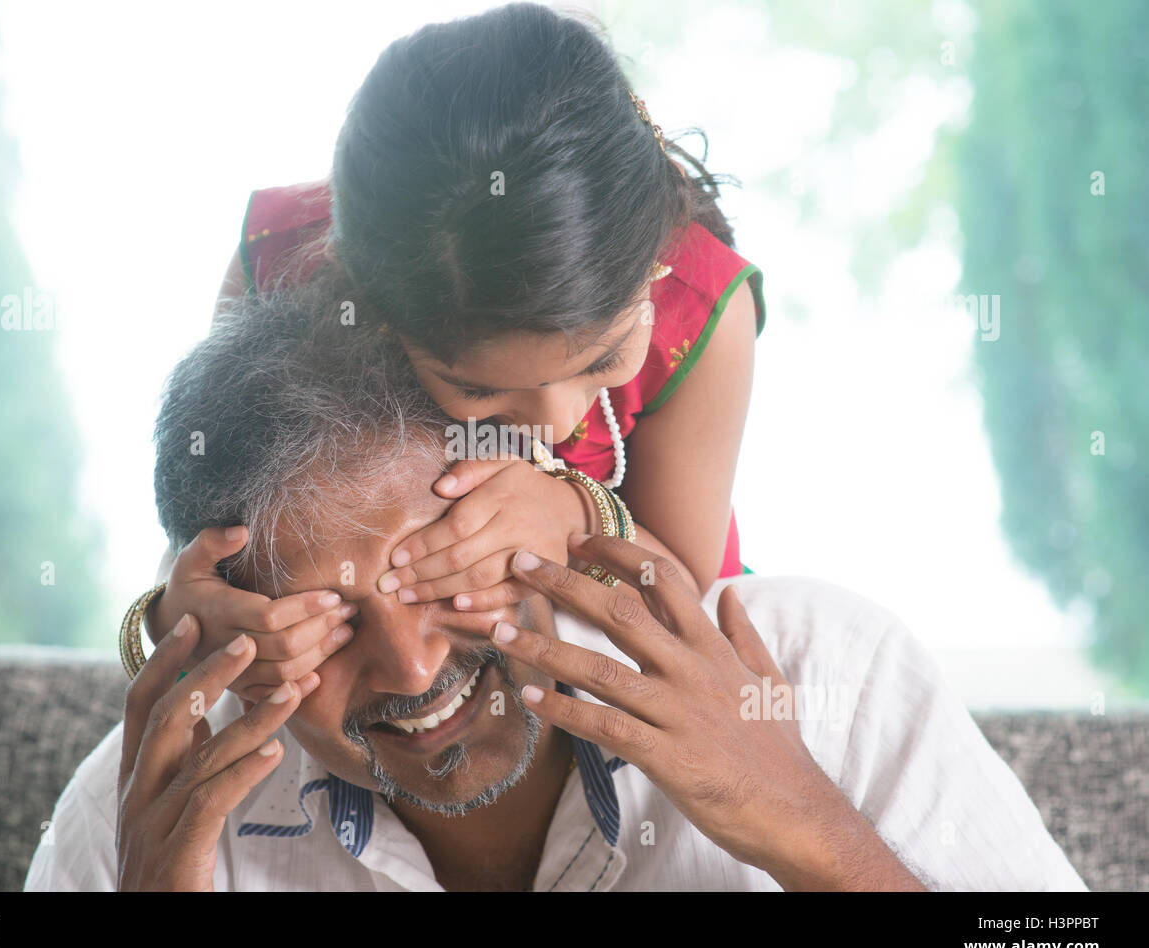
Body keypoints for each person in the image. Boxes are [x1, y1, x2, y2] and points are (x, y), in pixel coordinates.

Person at [24, 284, 1085, 891]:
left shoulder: (823, 672)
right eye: (328, 621)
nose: (411, 664)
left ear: (529, 488)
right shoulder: (151, 811)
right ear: (234, 633)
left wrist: (804, 823)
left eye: (439, 569)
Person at [139, 3, 768, 704]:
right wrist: (178, 615)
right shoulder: (284, 266)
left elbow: (685, 590)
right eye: (477, 388)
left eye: (602, 358)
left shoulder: (702, 307)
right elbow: (216, 532)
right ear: (374, 310)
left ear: (651, 257)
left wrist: (577, 517)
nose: (555, 424)